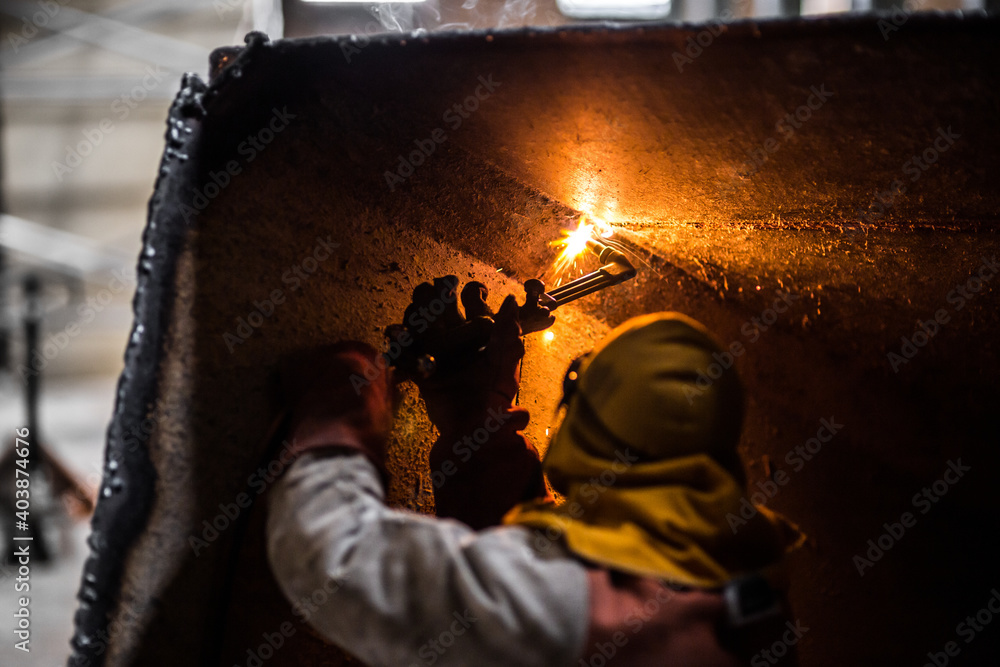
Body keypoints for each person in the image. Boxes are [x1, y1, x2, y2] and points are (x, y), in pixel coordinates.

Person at [266, 277, 803, 666]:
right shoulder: (743, 600)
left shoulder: (572, 605)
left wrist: (347, 399)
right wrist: (478, 418)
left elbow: (333, 555)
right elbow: (526, 556)